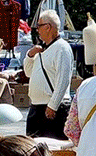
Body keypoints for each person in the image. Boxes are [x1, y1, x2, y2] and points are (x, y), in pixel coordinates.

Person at [22, 10, 74, 140]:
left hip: (52, 109)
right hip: (37, 107)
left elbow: (63, 80)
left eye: (39, 26)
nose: (36, 30)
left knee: (54, 150)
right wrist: (30, 55)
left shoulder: (62, 48)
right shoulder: (42, 49)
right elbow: (28, 73)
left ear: (48, 27)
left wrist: (53, 105)